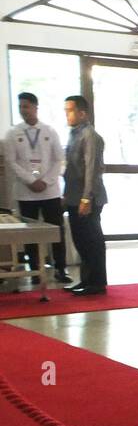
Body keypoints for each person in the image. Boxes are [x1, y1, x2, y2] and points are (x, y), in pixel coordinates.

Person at [5, 91, 71, 283]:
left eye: (26, 106)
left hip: (50, 191)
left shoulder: (49, 131)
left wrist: (46, 181)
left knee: (56, 230)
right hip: (26, 192)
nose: (23, 110)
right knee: (30, 233)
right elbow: (11, 162)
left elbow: (59, 159)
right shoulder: (13, 133)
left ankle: (60, 268)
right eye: (20, 107)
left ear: (35, 107)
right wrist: (30, 180)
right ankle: (35, 270)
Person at [60, 95, 107, 296]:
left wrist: (86, 198)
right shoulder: (74, 134)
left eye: (70, 111)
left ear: (82, 113)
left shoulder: (90, 136)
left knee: (92, 240)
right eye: (65, 111)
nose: (67, 115)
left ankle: (97, 282)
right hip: (74, 196)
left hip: (88, 198)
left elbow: (92, 169)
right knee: (80, 240)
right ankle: (86, 280)